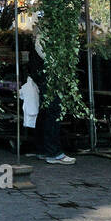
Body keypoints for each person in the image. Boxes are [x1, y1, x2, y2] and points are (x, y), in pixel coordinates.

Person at [28, 30, 76, 165]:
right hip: (49, 77)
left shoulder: (41, 36)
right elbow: (47, 56)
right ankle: (53, 152)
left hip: (45, 76)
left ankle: (42, 148)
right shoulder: (45, 37)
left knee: (45, 111)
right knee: (53, 110)